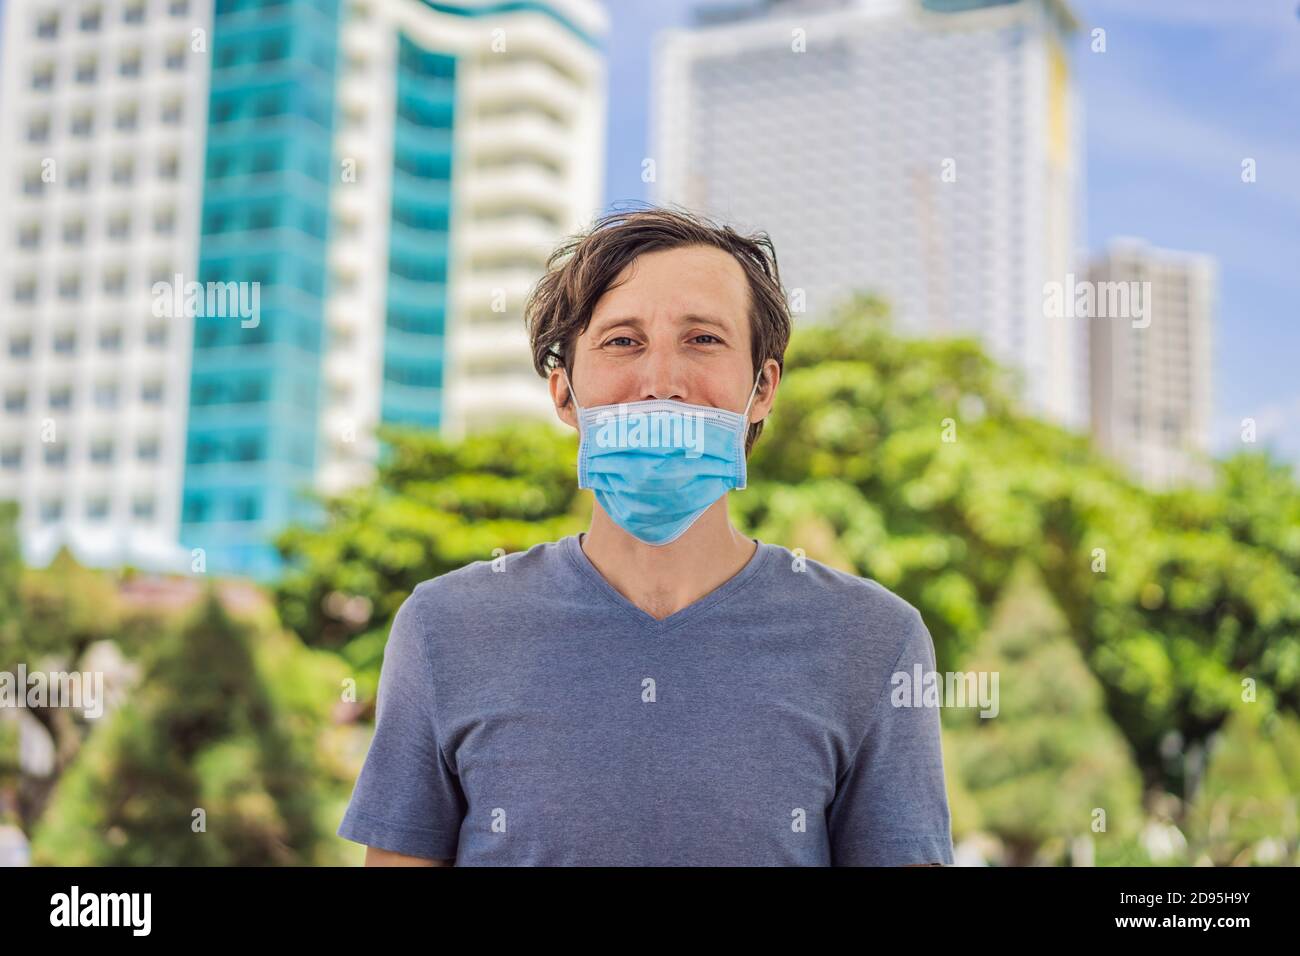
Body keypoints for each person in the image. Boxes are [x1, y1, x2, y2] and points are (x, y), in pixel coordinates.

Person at [338, 206, 954, 866]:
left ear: (763, 387)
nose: (661, 383)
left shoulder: (873, 641)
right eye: (623, 342)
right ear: (565, 394)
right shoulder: (445, 629)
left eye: (704, 340)